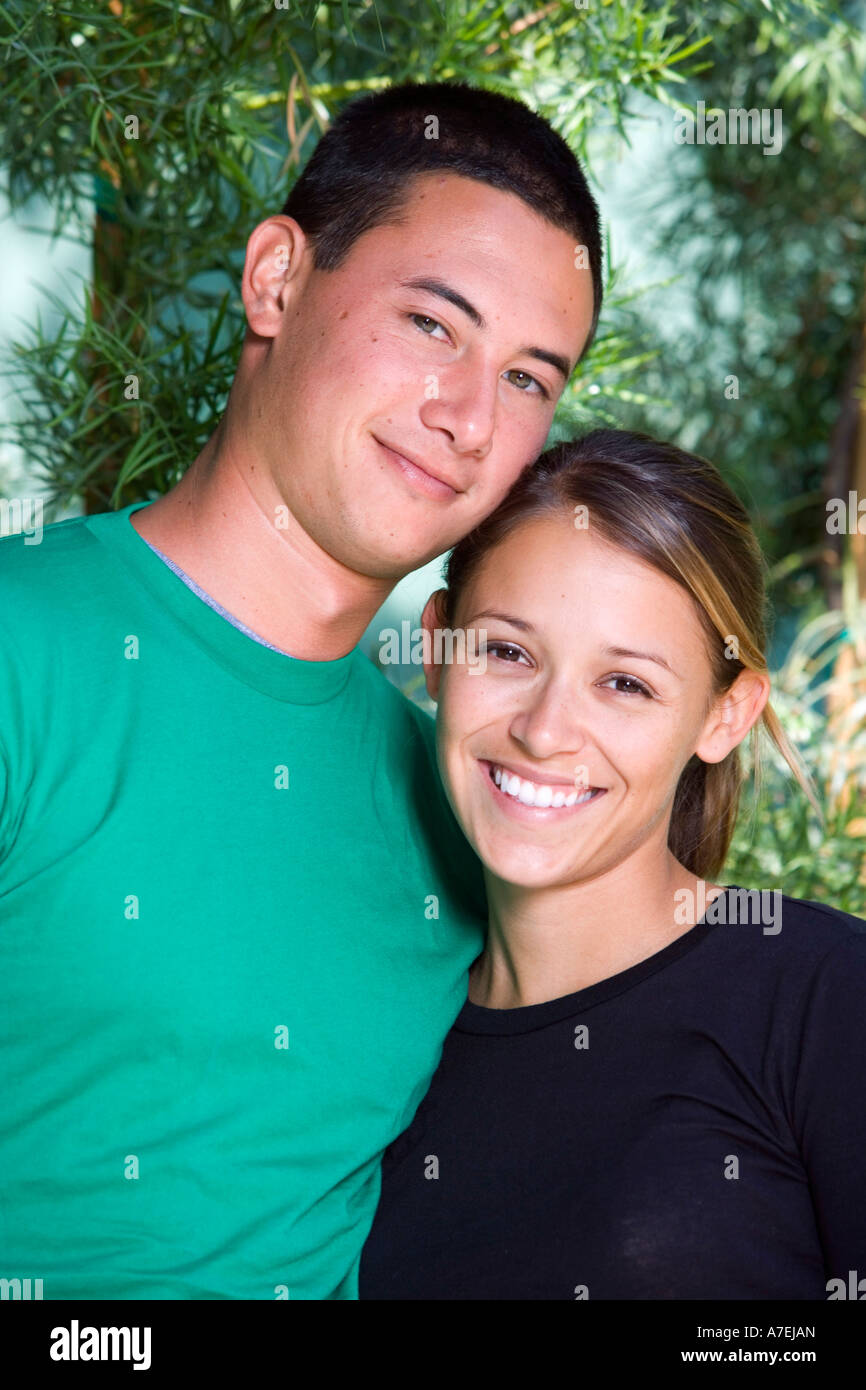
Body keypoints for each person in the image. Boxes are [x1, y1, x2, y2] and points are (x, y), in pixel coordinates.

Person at [0, 82, 600, 1299]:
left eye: (530, 378)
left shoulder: (470, 806)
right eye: (434, 324)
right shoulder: (26, 653)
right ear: (276, 278)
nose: (469, 419)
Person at [359, 427, 866, 1301]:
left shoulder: (828, 1000)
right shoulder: (376, 1040)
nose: (545, 731)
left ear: (725, 716)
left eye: (625, 683)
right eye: (508, 652)